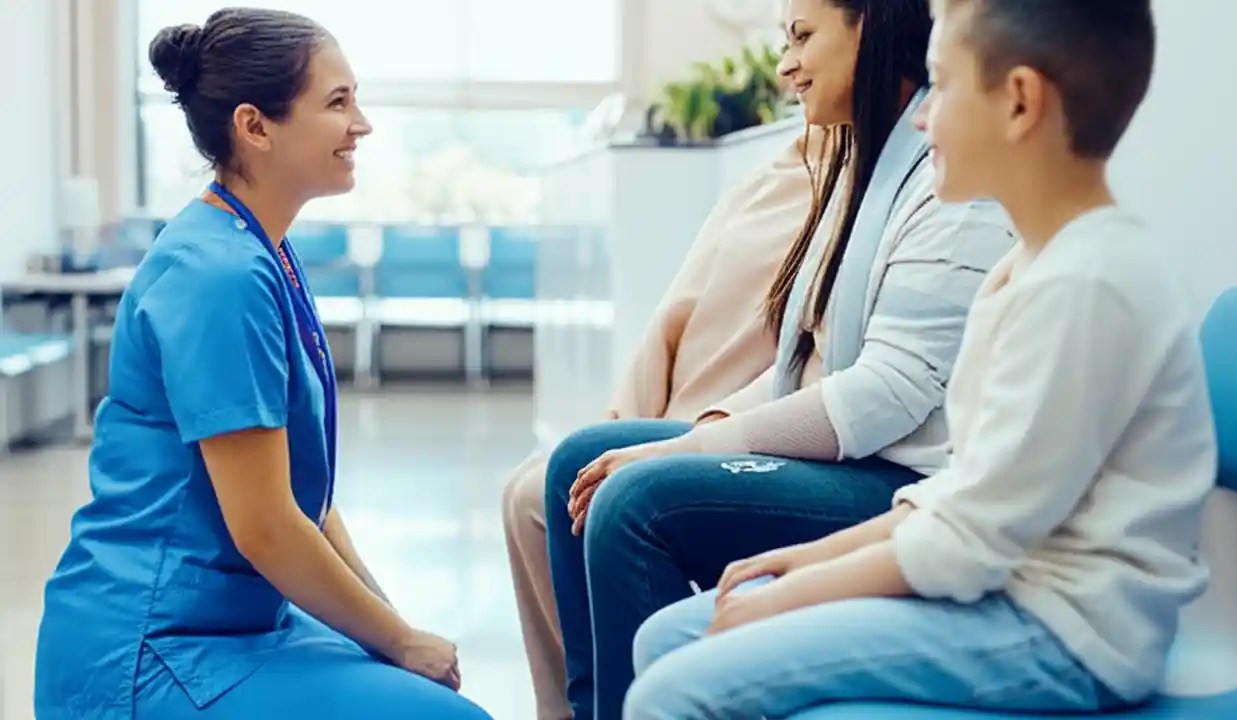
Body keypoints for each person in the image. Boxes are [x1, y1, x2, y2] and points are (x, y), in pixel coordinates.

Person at [625, 0, 1218, 717]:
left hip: (1064, 633)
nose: (918, 117)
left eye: (940, 86)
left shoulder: (1089, 284)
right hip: (1006, 591)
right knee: (667, 638)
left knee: (673, 690)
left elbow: (968, 544)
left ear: (1020, 102)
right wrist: (805, 562)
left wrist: (791, 594)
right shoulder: (1030, 267)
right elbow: (967, 490)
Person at [542, 0, 1017, 717]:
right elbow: (806, 358)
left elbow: (885, 393)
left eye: (802, 37)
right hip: (860, 461)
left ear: (872, 28)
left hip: (895, 478)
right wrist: (701, 430)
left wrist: (695, 446)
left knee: (634, 504)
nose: (785, 64)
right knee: (576, 461)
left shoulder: (951, 195)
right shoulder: (863, 168)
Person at [33, 9, 491, 720]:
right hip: (152, 649)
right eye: (338, 103)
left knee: (415, 687)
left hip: (236, 619)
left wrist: (389, 627)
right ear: (255, 126)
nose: (361, 124)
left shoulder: (261, 250)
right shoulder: (218, 275)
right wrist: (398, 641)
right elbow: (267, 525)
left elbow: (310, 500)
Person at [503, 126, 827, 720]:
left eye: (802, 37)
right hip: (702, 410)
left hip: (754, 421)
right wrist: (626, 417)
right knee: (535, 485)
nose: (787, 65)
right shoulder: (778, 170)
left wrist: (704, 432)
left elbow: (822, 371)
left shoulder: (864, 184)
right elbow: (672, 314)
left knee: (586, 491)